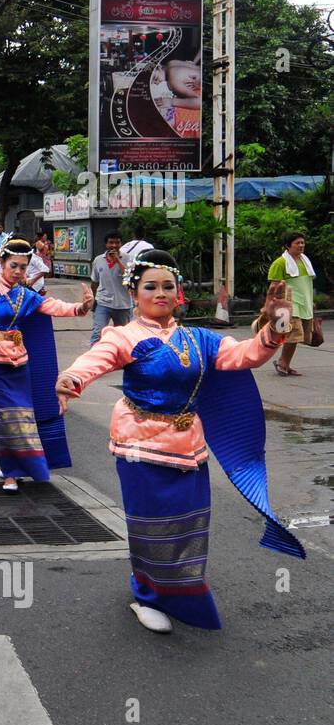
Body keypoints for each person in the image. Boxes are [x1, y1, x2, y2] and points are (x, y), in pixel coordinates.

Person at [57, 251, 302, 634]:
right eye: (150, 286)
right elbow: (95, 360)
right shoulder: (123, 336)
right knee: (151, 526)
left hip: (188, 447)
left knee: (190, 525)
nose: (160, 293)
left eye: (167, 286)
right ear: (134, 293)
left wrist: (278, 320)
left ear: (179, 293)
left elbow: (245, 356)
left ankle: (181, 588)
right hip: (140, 448)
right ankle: (147, 595)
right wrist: (71, 379)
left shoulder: (199, 338)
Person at [0, 238, 94, 491]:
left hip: (19, 361)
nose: (18, 272)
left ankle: (15, 465)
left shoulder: (25, 294)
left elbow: (52, 306)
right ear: (1, 263)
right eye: (13, 265)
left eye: (23, 268)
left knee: (23, 415)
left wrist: (81, 307)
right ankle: (12, 472)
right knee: (5, 416)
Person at [268, 231, 318, 377]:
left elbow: (306, 285)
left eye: (302, 242)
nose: (301, 245)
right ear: (287, 245)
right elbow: (274, 286)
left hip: (305, 303)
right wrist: (272, 304)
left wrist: (312, 302)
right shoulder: (280, 263)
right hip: (289, 304)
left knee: (297, 337)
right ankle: (282, 364)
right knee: (294, 334)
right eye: (297, 243)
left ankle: (284, 363)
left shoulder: (305, 261)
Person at [90, 231, 134, 345]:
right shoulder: (98, 260)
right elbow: (94, 282)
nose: (114, 245)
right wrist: (94, 299)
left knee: (123, 337)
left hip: (123, 305)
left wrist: (118, 261)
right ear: (106, 245)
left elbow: (130, 278)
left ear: (121, 244)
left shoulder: (128, 259)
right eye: (111, 242)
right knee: (97, 334)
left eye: (117, 242)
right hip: (103, 303)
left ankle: (121, 361)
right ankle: (95, 360)